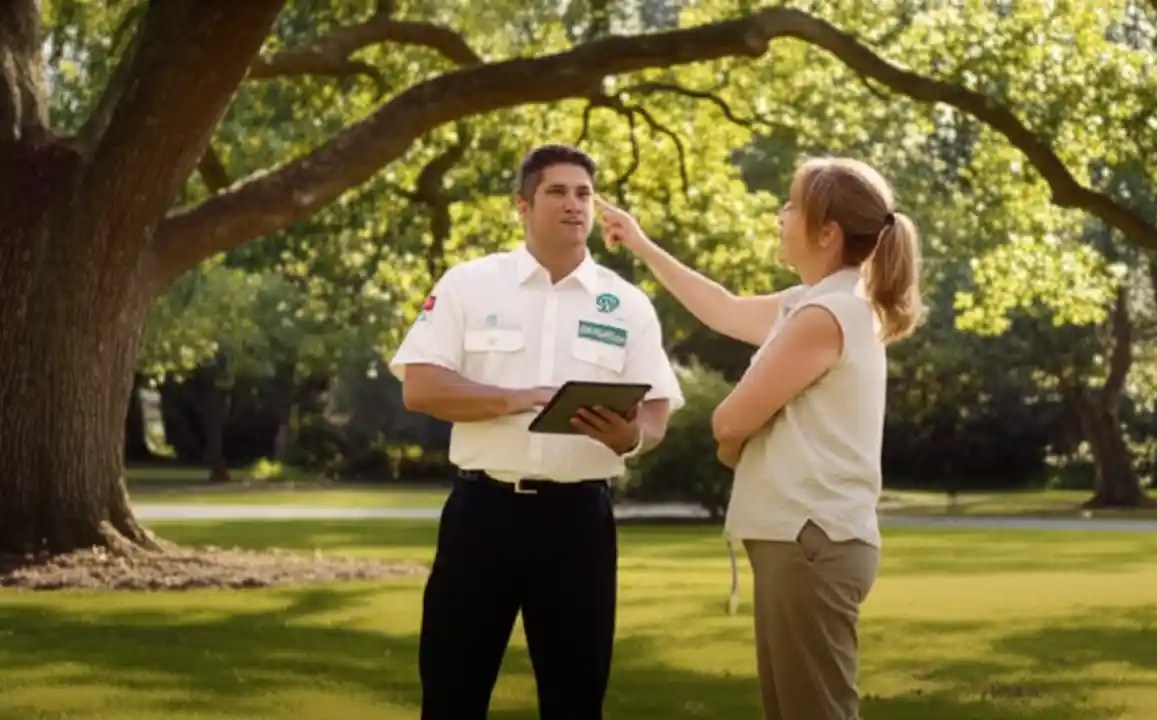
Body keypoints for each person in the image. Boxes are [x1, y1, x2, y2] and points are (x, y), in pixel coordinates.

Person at [598, 156, 923, 720]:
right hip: (807, 539)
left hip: (810, 540)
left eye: (792, 206)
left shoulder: (828, 314)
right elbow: (721, 309)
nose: (780, 215)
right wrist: (642, 245)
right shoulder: (814, 305)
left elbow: (727, 422)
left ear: (828, 233)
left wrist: (732, 445)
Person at [389, 144, 684, 720]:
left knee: (576, 698)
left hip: (579, 524)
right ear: (521, 205)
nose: (574, 205)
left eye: (584, 194)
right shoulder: (468, 285)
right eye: (557, 192)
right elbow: (420, 387)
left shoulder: (626, 304)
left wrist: (627, 439)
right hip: (482, 513)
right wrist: (515, 399)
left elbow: (653, 417)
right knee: (452, 691)